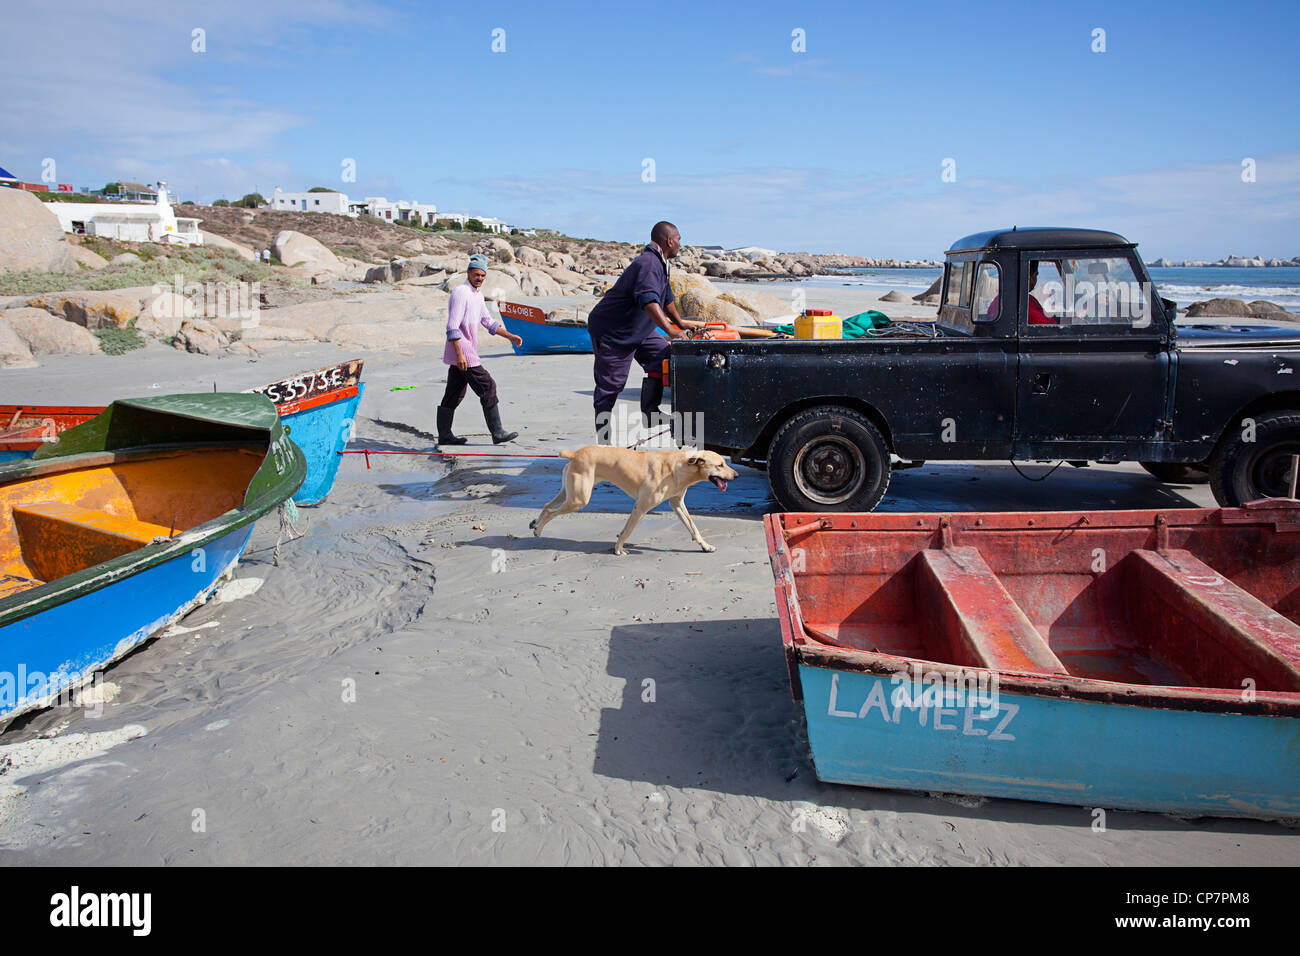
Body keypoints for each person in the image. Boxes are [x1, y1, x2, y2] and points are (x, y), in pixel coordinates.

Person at [585, 221, 685, 442]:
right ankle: (604, 441)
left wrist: (680, 323)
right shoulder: (648, 263)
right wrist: (670, 330)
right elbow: (649, 301)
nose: (680, 243)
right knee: (610, 387)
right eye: (678, 238)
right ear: (669, 240)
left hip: (640, 327)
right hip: (614, 329)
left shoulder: (661, 262)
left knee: (664, 358)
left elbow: (665, 297)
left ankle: (651, 413)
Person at [437, 253, 524, 445]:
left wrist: (510, 336)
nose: (480, 279)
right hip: (464, 352)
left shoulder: (476, 295)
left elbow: (488, 322)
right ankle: (497, 432)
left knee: (454, 392)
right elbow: (452, 326)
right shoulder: (461, 292)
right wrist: (460, 354)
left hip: (462, 353)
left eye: (483, 276)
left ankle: (444, 436)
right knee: (487, 386)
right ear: (468, 273)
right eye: (476, 275)